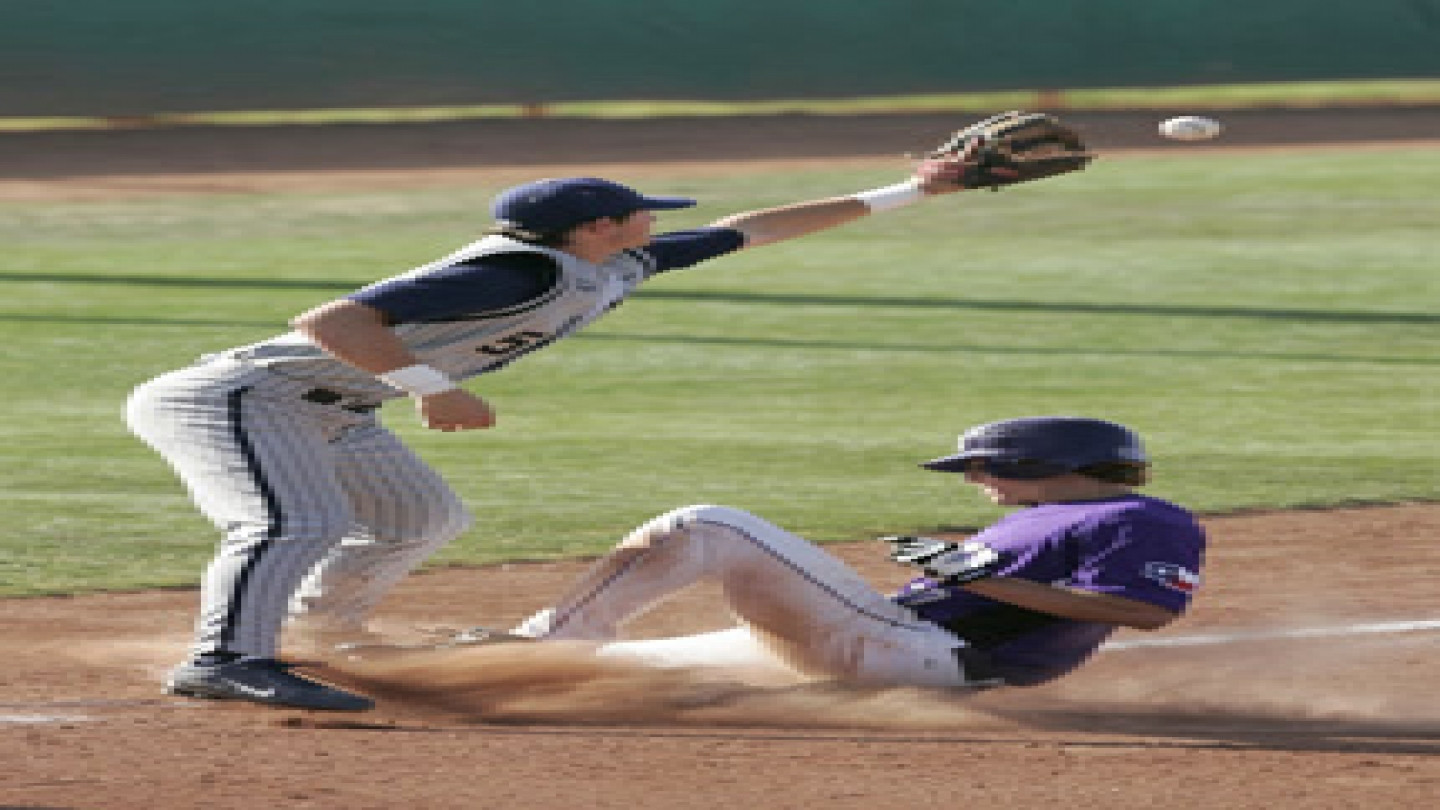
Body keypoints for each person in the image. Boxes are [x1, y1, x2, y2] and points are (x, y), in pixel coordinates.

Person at [125, 146, 1002, 711]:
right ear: (593, 228)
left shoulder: (612, 262)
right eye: (640, 211)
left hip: (337, 408)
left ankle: (317, 636)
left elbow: (748, 231)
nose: (654, 220)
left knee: (421, 518)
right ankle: (225, 658)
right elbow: (331, 321)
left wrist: (914, 191)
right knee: (294, 521)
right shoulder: (510, 272)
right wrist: (431, 387)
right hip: (242, 397)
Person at [497, 416, 1206, 690]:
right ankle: (503, 662)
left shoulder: (1141, 517)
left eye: (981, 467)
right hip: (894, 646)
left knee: (709, 524)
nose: (975, 480)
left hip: (926, 652)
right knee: (606, 671)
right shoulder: (1045, 516)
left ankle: (544, 635)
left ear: (1040, 462)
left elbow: (1146, 612)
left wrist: (973, 578)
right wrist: (966, 573)